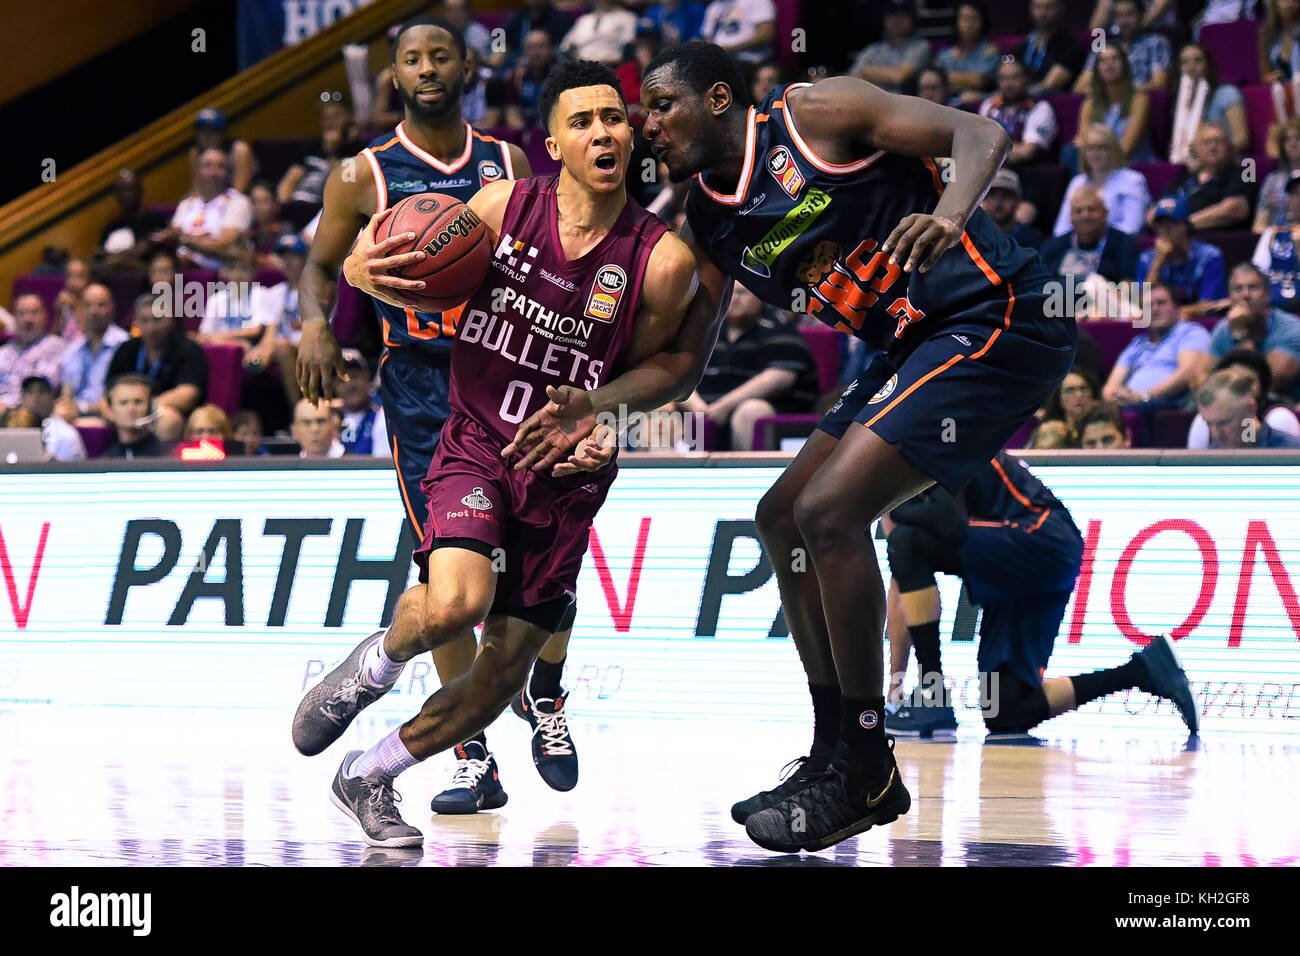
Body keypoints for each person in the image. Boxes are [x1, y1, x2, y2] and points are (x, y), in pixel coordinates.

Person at [623, 40, 1076, 853]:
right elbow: (684, 365)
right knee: (784, 515)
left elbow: (982, 135)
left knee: (832, 512)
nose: (645, 124)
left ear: (720, 98)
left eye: (661, 105)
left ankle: (867, 758)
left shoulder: (815, 113)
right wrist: (592, 404)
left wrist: (946, 217)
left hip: (1000, 313)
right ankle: (837, 746)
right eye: (643, 112)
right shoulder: (708, 220)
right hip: (909, 346)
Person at [292, 57, 710, 848]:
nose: (602, 132)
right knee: (456, 603)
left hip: (564, 477)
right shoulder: (497, 205)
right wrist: (355, 268)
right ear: (550, 142)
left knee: (491, 690)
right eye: (581, 122)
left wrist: (603, 419)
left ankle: (367, 774)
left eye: (614, 118)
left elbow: (651, 375)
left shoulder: (662, 262)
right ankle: (371, 669)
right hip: (478, 441)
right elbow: (380, 266)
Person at [290, 15, 582, 816]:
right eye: (411, 58)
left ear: (465, 67)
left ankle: (547, 700)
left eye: (440, 55)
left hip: (506, 371)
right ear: (394, 76)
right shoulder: (363, 173)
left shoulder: (507, 161)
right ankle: (470, 755)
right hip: (422, 388)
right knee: (446, 576)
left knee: (548, 568)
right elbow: (318, 270)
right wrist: (317, 321)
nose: (426, 68)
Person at [881, 452, 1197, 737]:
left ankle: (933, 692)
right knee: (1004, 712)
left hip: (1042, 540)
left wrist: (891, 512)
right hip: (1022, 568)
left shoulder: (952, 443)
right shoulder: (913, 461)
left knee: (908, 541)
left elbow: (947, 524)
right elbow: (904, 577)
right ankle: (1143, 670)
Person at [676, 284, 818, 449]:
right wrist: (696, 406)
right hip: (704, 409)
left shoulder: (777, 327)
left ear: (759, 294)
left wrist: (724, 406)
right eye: (729, 293)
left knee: (749, 411)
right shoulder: (707, 329)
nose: (734, 299)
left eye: (742, 293)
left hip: (767, 409)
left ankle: (746, 473)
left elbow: (780, 377)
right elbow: (679, 373)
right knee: (662, 409)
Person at [104, 295, 208, 441]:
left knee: (168, 419)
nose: (151, 327)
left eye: (157, 320)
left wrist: (144, 409)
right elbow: (108, 391)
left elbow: (188, 393)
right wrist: (113, 413)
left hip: (165, 416)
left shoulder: (189, 349)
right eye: (145, 321)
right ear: (136, 323)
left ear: (170, 320)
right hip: (128, 414)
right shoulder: (126, 349)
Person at [1103, 281, 1213, 408]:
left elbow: (1188, 373)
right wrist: (1116, 398)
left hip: (1167, 406)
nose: (1154, 310)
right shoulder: (1137, 343)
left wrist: (1144, 396)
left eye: (1161, 303)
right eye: (1148, 306)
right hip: (1130, 404)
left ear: (1177, 309)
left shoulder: (1190, 331)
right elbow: (1110, 387)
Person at [1209, 262, 1300, 400]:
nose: (1245, 295)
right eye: (1238, 289)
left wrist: (1241, 335)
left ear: (1267, 295)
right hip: (1236, 405)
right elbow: (1202, 380)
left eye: (1253, 287)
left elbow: (1268, 384)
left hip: (1284, 406)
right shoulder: (1222, 329)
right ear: (1230, 298)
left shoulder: (1291, 329)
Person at [160, 149, 254, 271]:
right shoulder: (187, 203)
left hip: (220, 275)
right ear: (198, 172)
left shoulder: (238, 201)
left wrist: (187, 240)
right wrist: (202, 240)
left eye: (220, 167)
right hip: (182, 273)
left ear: (228, 173)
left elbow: (227, 244)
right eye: (208, 166)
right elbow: (173, 234)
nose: (213, 172)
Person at [1187, 347, 1300, 446]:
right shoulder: (1211, 455)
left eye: (1224, 423)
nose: (1217, 434)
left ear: (1251, 408)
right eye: (1209, 423)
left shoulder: (1291, 451)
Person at [277, 94, 365, 219]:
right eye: (325, 118)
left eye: (336, 116)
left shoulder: (358, 149)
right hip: (300, 204)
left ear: (349, 117)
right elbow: (288, 182)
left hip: (330, 210)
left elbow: (340, 187)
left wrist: (333, 151)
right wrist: (286, 209)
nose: (330, 123)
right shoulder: (312, 146)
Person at [1155, 122, 1255, 231]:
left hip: (1211, 238)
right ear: (1196, 148)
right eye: (1207, 142)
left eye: (1219, 142)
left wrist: (1185, 225)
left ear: (1228, 147)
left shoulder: (1244, 173)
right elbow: (1160, 206)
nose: (1213, 147)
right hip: (1173, 234)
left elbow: (1237, 208)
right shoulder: (1185, 177)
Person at [1136, 196, 1227, 310]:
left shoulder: (1209, 256)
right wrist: (1157, 263)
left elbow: (1211, 304)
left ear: (1185, 227)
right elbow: (1140, 305)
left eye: (1170, 225)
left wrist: (1175, 315)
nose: (1164, 231)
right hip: (1161, 323)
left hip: (1199, 323)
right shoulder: (1147, 259)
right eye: (1160, 225)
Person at [1072, 45, 1155, 168]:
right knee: (1071, 151)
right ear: (1097, 69)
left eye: (1115, 59)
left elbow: (1126, 148)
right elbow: (1085, 144)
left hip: (1130, 165)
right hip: (1097, 167)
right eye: (1103, 61)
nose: (1109, 64)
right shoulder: (1089, 104)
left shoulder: (1139, 100)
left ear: (1124, 65)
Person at [58, 283, 130, 419]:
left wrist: (82, 408)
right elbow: (66, 393)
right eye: (87, 305)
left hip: (109, 416)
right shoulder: (73, 349)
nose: (94, 311)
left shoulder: (125, 345)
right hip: (72, 415)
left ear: (112, 308)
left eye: (100, 305)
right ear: (80, 309)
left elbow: (125, 396)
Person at [1041, 184, 1140, 282]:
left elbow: (1128, 284)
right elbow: (1040, 284)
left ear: (1105, 213)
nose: (1085, 216)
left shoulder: (1123, 242)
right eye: (1078, 211)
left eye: (1091, 209)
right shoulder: (1053, 246)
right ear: (1070, 216)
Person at [1169, 42, 1249, 163]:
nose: (1191, 67)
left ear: (1209, 64)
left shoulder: (1227, 93)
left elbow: (1241, 139)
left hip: (1224, 163)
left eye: (1198, 60)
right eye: (1185, 62)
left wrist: (1206, 158)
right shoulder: (1179, 104)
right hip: (1188, 164)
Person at [979, 57, 1059, 170]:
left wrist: (989, 153)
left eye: (1015, 78)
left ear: (1026, 79)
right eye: (1003, 78)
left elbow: (1026, 152)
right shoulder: (989, 105)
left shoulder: (1040, 108)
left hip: (1027, 172)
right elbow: (978, 145)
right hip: (992, 171)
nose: (1008, 84)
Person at [1076, 0, 1171, 93]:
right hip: (1104, 104)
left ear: (1141, 15)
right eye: (1119, 16)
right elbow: (1080, 87)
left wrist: (1121, 94)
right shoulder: (1103, 45)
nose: (1124, 21)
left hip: (1140, 102)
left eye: (1129, 15)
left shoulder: (1156, 42)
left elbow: (1159, 84)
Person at [849, 0, 932, 95]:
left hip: (906, 103)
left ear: (912, 18)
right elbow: (853, 78)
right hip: (874, 102)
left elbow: (900, 77)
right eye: (892, 14)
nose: (897, 19)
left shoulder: (921, 46)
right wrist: (887, 74)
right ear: (885, 19)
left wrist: (867, 71)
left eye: (902, 14)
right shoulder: (873, 49)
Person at [0, 294, 66, 413]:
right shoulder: (4, 352)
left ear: (45, 316)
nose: (28, 319)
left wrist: (8, 408)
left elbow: (43, 390)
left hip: (36, 417)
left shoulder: (56, 347)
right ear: (14, 318)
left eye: (34, 313)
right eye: (22, 313)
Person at [98, 168, 170, 271]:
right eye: (121, 190)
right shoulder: (111, 228)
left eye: (131, 188)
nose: (127, 195)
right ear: (116, 194)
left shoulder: (156, 220)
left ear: (140, 190)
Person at [1012, 0, 1086, 96]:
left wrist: (1013, 93)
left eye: (1049, 7)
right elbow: (1006, 75)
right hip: (1017, 100)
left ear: (1060, 9)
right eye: (1038, 7)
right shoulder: (1022, 47)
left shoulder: (1070, 46)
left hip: (1049, 102)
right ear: (1031, 9)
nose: (1043, 12)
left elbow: (1049, 84)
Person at [1253, 171, 1300, 313]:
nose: (1299, 200)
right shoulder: (1272, 233)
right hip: (1269, 307)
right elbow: (1256, 273)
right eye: (1294, 194)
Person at [936, 0, 1000, 104]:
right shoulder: (946, 54)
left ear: (983, 21)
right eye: (964, 18)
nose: (969, 24)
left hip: (979, 103)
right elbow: (936, 78)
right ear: (957, 21)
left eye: (974, 19)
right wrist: (966, 79)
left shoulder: (990, 50)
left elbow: (978, 80)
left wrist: (947, 77)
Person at [187, 107, 256, 195]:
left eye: (211, 131)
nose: (206, 136)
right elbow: (198, 188)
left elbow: (240, 189)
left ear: (222, 133)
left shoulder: (239, 149)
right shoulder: (196, 152)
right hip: (213, 198)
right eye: (201, 132)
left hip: (243, 198)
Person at [19, 376, 86, 461]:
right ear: (22, 398)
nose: (35, 397)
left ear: (51, 396)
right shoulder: (12, 430)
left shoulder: (67, 434)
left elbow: (74, 470)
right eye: (29, 392)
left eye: (41, 392)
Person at [1031, 366, 1100, 448]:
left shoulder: (1105, 426)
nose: (1079, 395)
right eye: (1070, 390)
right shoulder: (1049, 431)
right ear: (1059, 399)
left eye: (1083, 388)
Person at [337, 354, 390, 457]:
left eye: (355, 376)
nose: (350, 385)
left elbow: (381, 466)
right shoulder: (331, 416)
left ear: (367, 378)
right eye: (342, 380)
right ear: (334, 386)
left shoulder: (383, 415)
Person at [102, 374, 165, 458]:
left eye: (138, 402)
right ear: (110, 410)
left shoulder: (167, 455)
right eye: (123, 403)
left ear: (150, 408)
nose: (131, 409)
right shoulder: (106, 460)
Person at [980, 169, 1045, 248]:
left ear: (1018, 200)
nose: (998, 203)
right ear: (984, 199)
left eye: (1006, 196)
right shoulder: (975, 235)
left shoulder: (1032, 239)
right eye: (993, 195)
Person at [559, 0, 638, 65]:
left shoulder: (628, 18)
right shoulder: (584, 19)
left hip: (611, 70)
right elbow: (565, 47)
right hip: (580, 70)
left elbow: (628, 52)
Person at [700, 0, 776, 67]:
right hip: (720, 62)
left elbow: (766, 34)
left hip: (749, 63)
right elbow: (707, 37)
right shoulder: (715, 6)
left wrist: (731, 49)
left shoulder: (757, 1)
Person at [640, 0, 707, 46]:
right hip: (657, 53)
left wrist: (680, 40)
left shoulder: (694, 10)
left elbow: (697, 40)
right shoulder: (652, 11)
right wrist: (654, 28)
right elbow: (640, 29)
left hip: (683, 53)